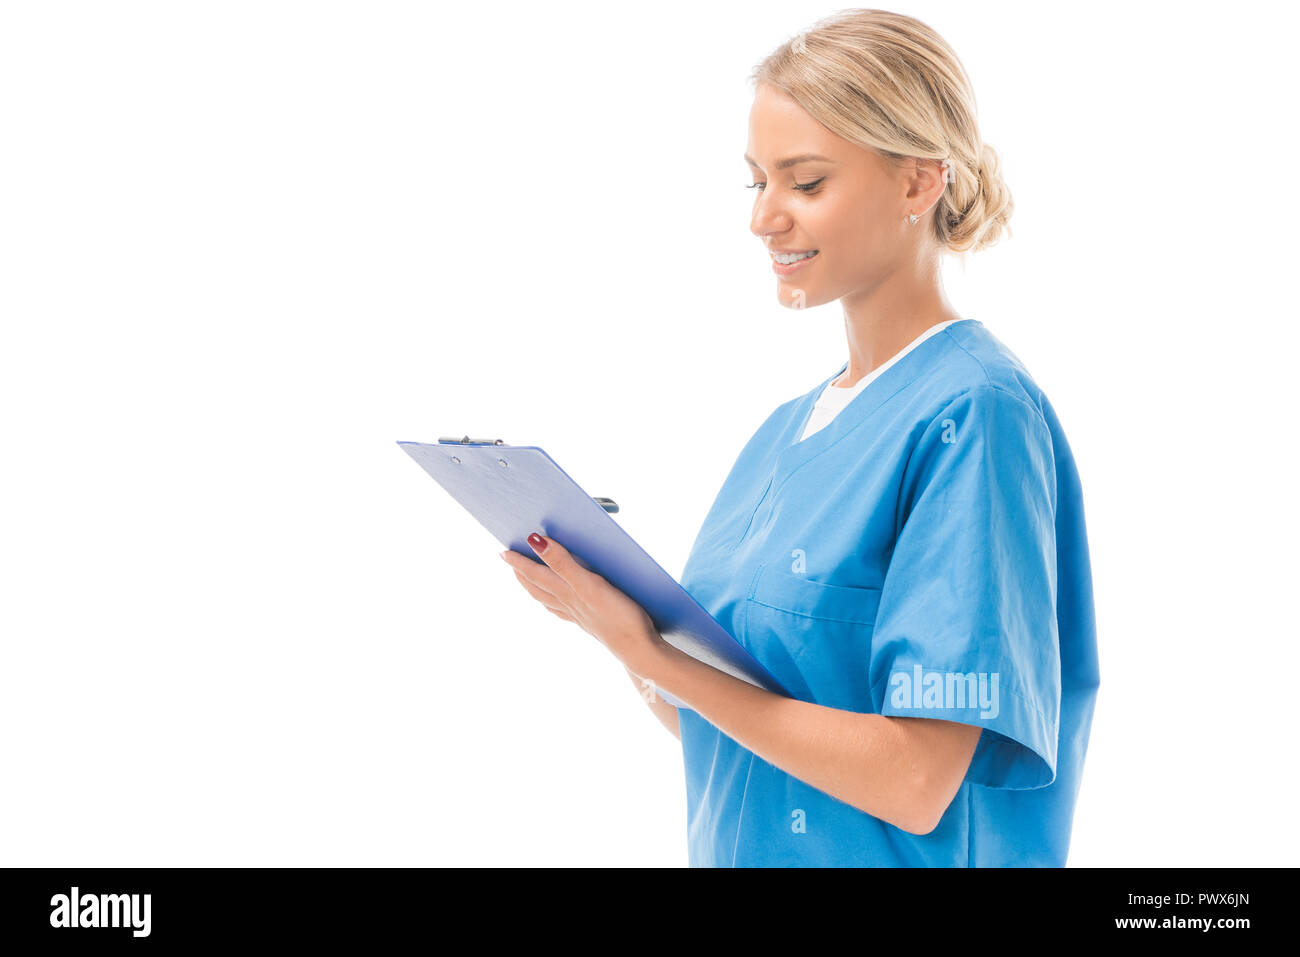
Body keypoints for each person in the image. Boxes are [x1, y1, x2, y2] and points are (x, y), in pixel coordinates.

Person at [500, 9, 1099, 867]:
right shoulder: (786, 432)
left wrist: (649, 654)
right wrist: (616, 629)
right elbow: (716, 726)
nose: (764, 219)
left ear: (918, 182)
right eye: (756, 183)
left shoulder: (975, 414)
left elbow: (916, 781)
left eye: (806, 183)